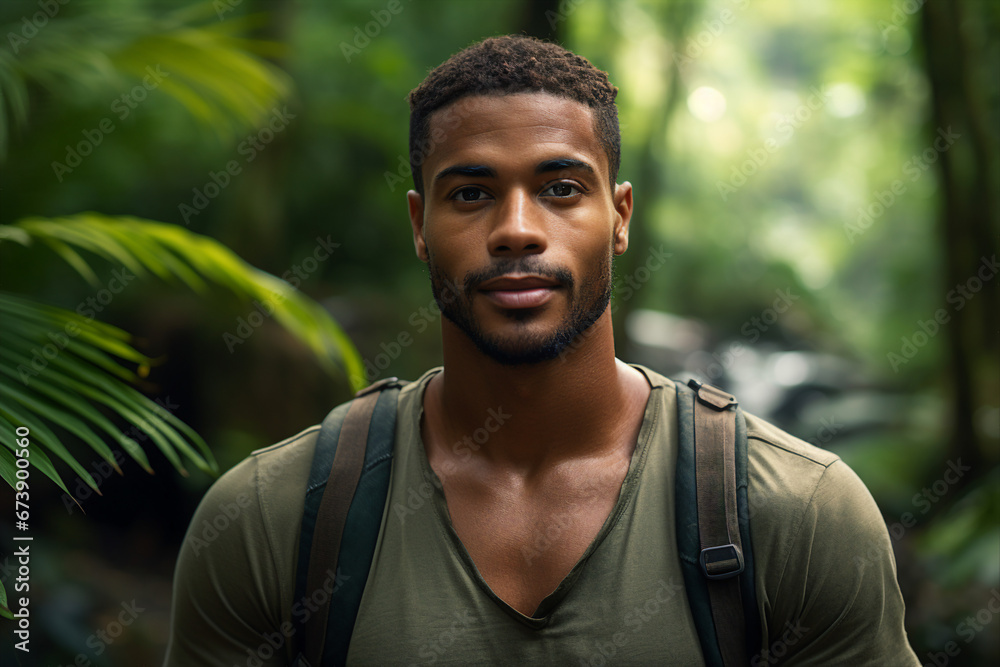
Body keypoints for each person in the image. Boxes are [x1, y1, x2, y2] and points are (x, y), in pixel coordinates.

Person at [164, 35, 920, 665]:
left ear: (619, 217)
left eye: (560, 188)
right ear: (420, 226)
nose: (517, 230)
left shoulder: (800, 516)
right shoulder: (269, 521)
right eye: (471, 193)